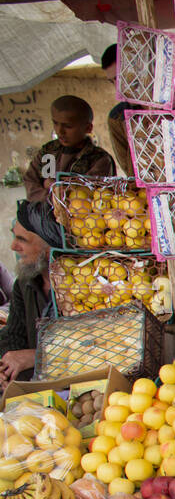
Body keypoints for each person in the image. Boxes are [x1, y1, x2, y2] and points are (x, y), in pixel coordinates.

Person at [0, 201, 60, 386]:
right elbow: (12, 337)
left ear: (48, 247)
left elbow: (94, 348)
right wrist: (5, 369)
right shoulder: (24, 284)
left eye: (22, 240)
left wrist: (36, 356)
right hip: (38, 389)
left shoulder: (80, 287)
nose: (13, 246)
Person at [22, 95, 116, 204]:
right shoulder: (49, 152)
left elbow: (88, 195)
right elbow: (31, 182)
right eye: (55, 123)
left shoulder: (99, 159)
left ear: (88, 128)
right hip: (43, 213)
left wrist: (53, 187)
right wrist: (52, 196)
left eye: (68, 126)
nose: (59, 131)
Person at [101, 45, 134, 176]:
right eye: (112, 81)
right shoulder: (117, 117)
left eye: (119, 77)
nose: (117, 86)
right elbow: (127, 167)